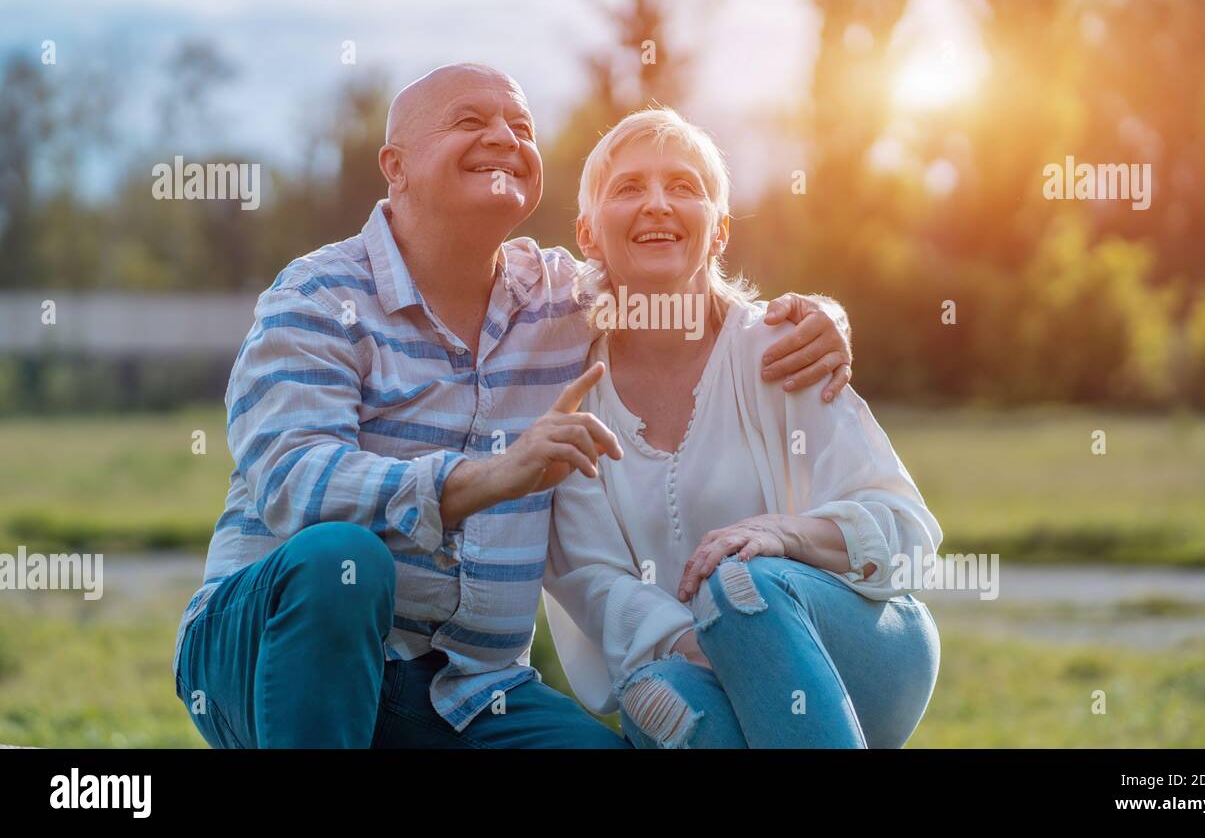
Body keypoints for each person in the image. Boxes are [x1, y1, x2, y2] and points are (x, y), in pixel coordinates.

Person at [172, 63, 854, 748]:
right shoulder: (318, 296)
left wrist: (819, 317)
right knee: (340, 561)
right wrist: (490, 477)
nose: (504, 138)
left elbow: (681, 291)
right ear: (395, 167)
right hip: (272, 655)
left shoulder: (563, 299)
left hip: (474, 691)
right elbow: (294, 482)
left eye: (521, 127)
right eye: (471, 122)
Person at [543, 107, 942, 748]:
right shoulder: (571, 395)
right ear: (588, 235)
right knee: (660, 701)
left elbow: (906, 532)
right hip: (695, 666)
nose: (656, 204)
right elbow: (594, 579)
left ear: (720, 230)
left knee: (738, 582)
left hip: (861, 650)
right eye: (628, 188)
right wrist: (730, 657)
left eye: (683, 186)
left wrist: (782, 534)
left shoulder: (780, 350)